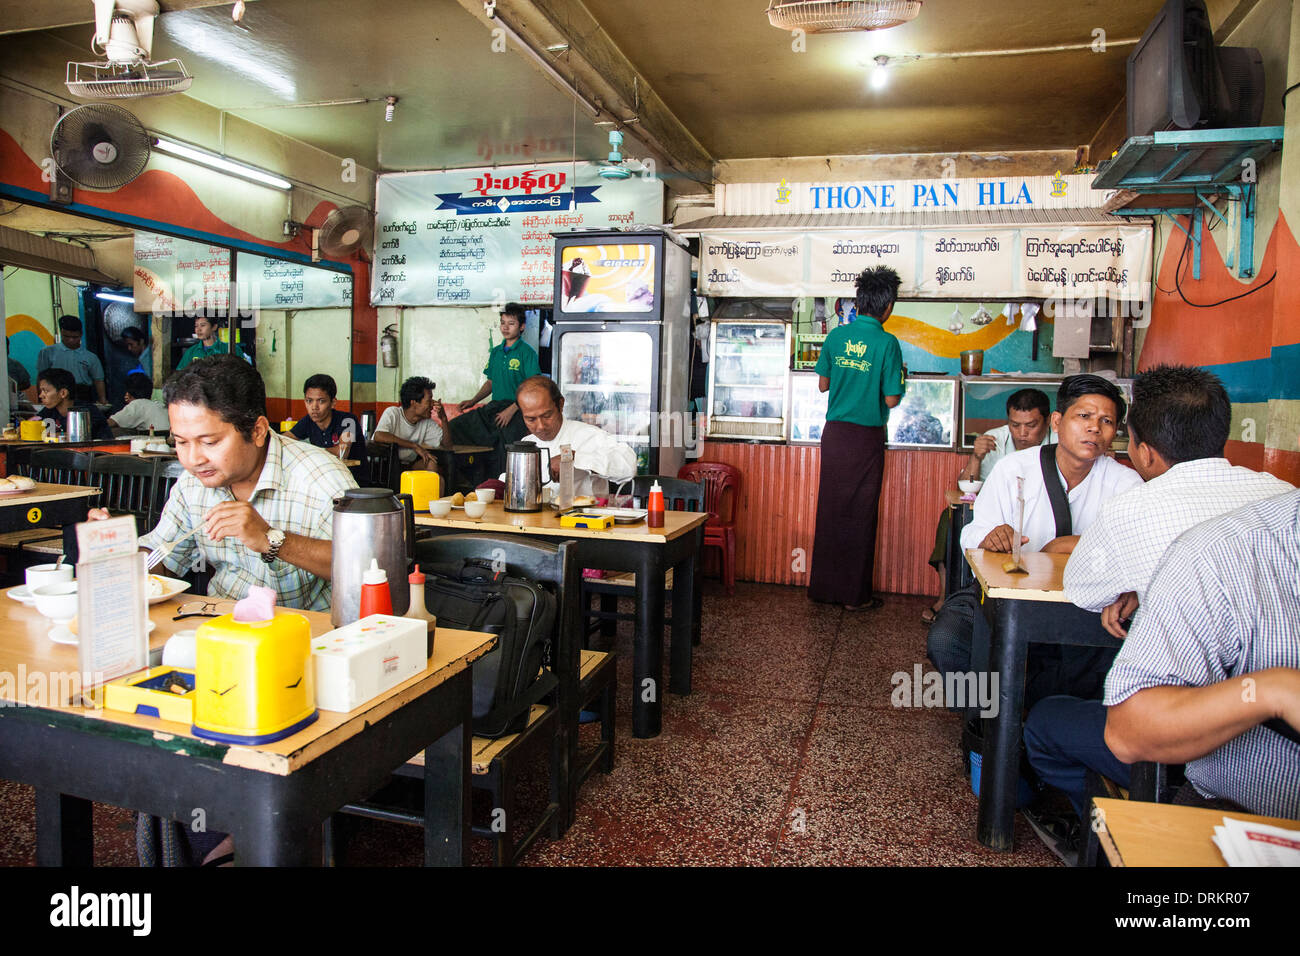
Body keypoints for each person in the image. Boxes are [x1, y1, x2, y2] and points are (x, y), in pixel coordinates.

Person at [1021, 366, 1294, 851]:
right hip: (1272, 754)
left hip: (1217, 771)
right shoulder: (1281, 495)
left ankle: (1120, 837)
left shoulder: (1137, 507)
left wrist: (1134, 583)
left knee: (1046, 721)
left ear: (1141, 448)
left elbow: (1084, 590)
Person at [926, 374, 1142, 706]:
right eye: (1084, 416)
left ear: (1114, 433)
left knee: (1092, 660)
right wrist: (989, 536)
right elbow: (970, 533)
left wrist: (1063, 546)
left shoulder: (1124, 483)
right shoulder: (1014, 468)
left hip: (1084, 605)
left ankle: (1036, 724)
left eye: (1106, 421)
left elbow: (1136, 552)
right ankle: (985, 721)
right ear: (1058, 421)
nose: (1095, 428)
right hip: (1008, 599)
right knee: (946, 640)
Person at [1103, 489, 1300, 820]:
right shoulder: (1221, 551)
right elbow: (1127, 729)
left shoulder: (1129, 495)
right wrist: (1271, 690)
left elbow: (1085, 585)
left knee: (1048, 722)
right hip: (1244, 818)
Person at [113, 354, 357, 612]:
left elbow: (362, 567)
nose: (193, 459)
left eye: (209, 442)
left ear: (257, 431)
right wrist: (119, 553)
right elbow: (164, 562)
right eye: (181, 442)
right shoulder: (193, 484)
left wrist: (271, 539)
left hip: (306, 637)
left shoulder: (321, 478)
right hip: (218, 627)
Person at [808, 265, 906, 611]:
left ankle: (823, 589)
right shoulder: (887, 343)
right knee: (861, 514)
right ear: (888, 306)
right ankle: (854, 596)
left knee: (831, 511)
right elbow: (892, 398)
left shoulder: (836, 337)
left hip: (835, 437)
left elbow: (823, 384)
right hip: (865, 440)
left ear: (858, 301)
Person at [923, 388, 1054, 624]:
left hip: (1041, 516)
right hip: (996, 516)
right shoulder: (994, 439)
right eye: (1015, 425)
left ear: (1048, 421)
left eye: (1031, 425)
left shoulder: (1060, 442)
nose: (1022, 433)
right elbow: (965, 489)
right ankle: (946, 596)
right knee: (949, 519)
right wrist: (976, 457)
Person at [512, 375, 637, 497]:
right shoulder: (527, 443)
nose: (540, 426)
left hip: (584, 517)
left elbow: (629, 467)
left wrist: (574, 457)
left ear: (560, 405)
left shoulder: (589, 435)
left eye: (547, 416)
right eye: (531, 419)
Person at [451, 304, 541, 467]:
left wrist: (512, 409)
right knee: (456, 427)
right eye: (502, 322)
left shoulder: (527, 353)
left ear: (522, 327)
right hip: (494, 408)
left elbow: (532, 386)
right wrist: (473, 400)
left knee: (504, 454)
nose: (505, 327)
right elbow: (491, 382)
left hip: (516, 411)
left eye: (511, 323)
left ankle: (503, 486)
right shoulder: (496, 352)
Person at [288, 373, 370, 483]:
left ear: (333, 402)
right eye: (309, 401)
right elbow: (283, 439)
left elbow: (342, 452)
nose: (314, 407)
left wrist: (308, 450)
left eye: (321, 401)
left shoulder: (348, 421)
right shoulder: (308, 421)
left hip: (354, 483)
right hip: (326, 480)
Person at [372, 375, 451, 471]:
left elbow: (447, 445)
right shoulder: (393, 413)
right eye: (429, 400)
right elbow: (379, 435)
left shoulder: (426, 422)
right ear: (413, 402)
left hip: (406, 466)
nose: (432, 404)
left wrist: (443, 418)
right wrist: (414, 446)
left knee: (432, 464)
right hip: (383, 468)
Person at [36, 315, 105, 404]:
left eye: (75, 337)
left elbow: (98, 380)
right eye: (66, 336)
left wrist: (102, 399)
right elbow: (41, 377)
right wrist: (41, 399)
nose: (71, 340)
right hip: (54, 394)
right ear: (61, 332)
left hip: (82, 395)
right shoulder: (47, 352)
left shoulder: (91, 357)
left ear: (81, 334)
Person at [34, 367, 113, 440]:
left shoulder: (87, 412)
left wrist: (49, 435)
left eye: (45, 391)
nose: (41, 396)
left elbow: (79, 436)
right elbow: (34, 425)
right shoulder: (48, 411)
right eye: (41, 391)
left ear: (63, 393)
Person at [176, 316, 248, 369]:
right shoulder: (191, 352)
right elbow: (180, 375)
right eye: (196, 326)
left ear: (214, 327)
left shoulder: (231, 349)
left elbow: (244, 373)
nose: (198, 329)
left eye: (203, 325)